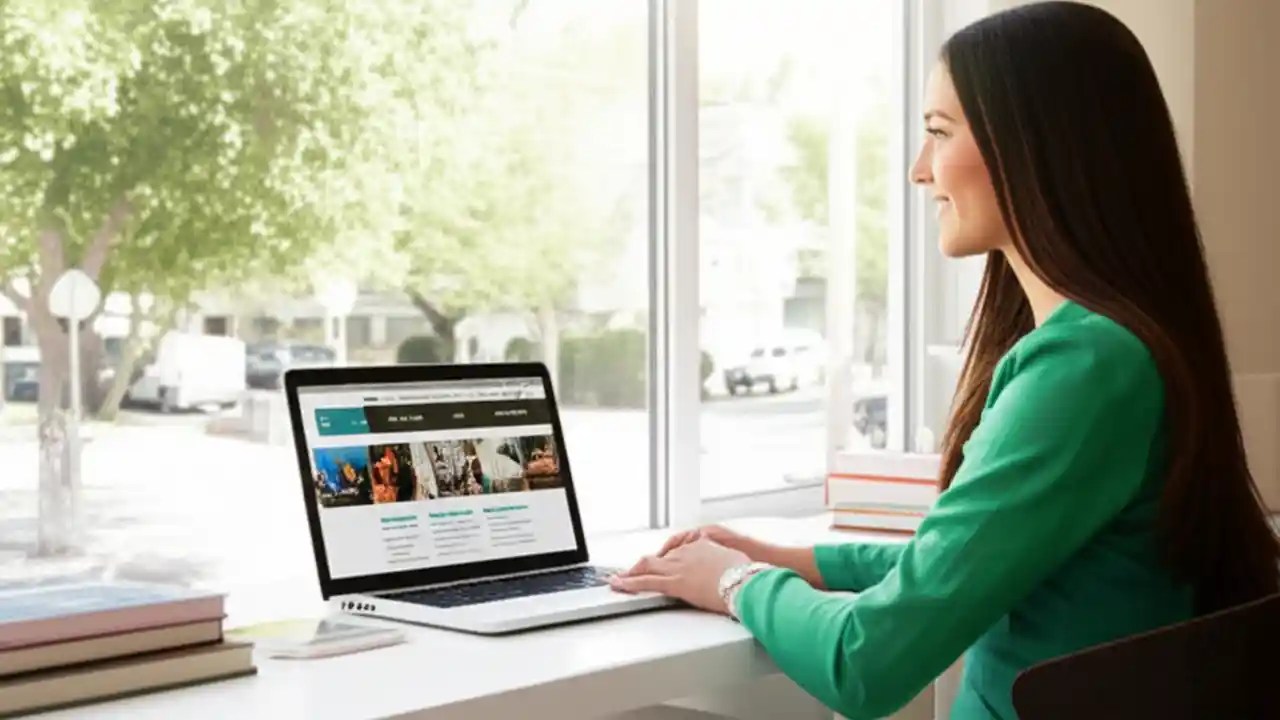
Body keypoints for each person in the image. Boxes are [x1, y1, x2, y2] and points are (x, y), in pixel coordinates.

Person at [609, 3, 1280, 719]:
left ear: (1034, 147)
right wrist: (793, 559)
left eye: (937, 133)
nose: (918, 171)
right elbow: (961, 565)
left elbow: (865, 663)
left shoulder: (1083, 368)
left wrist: (735, 583)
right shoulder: (1119, 347)